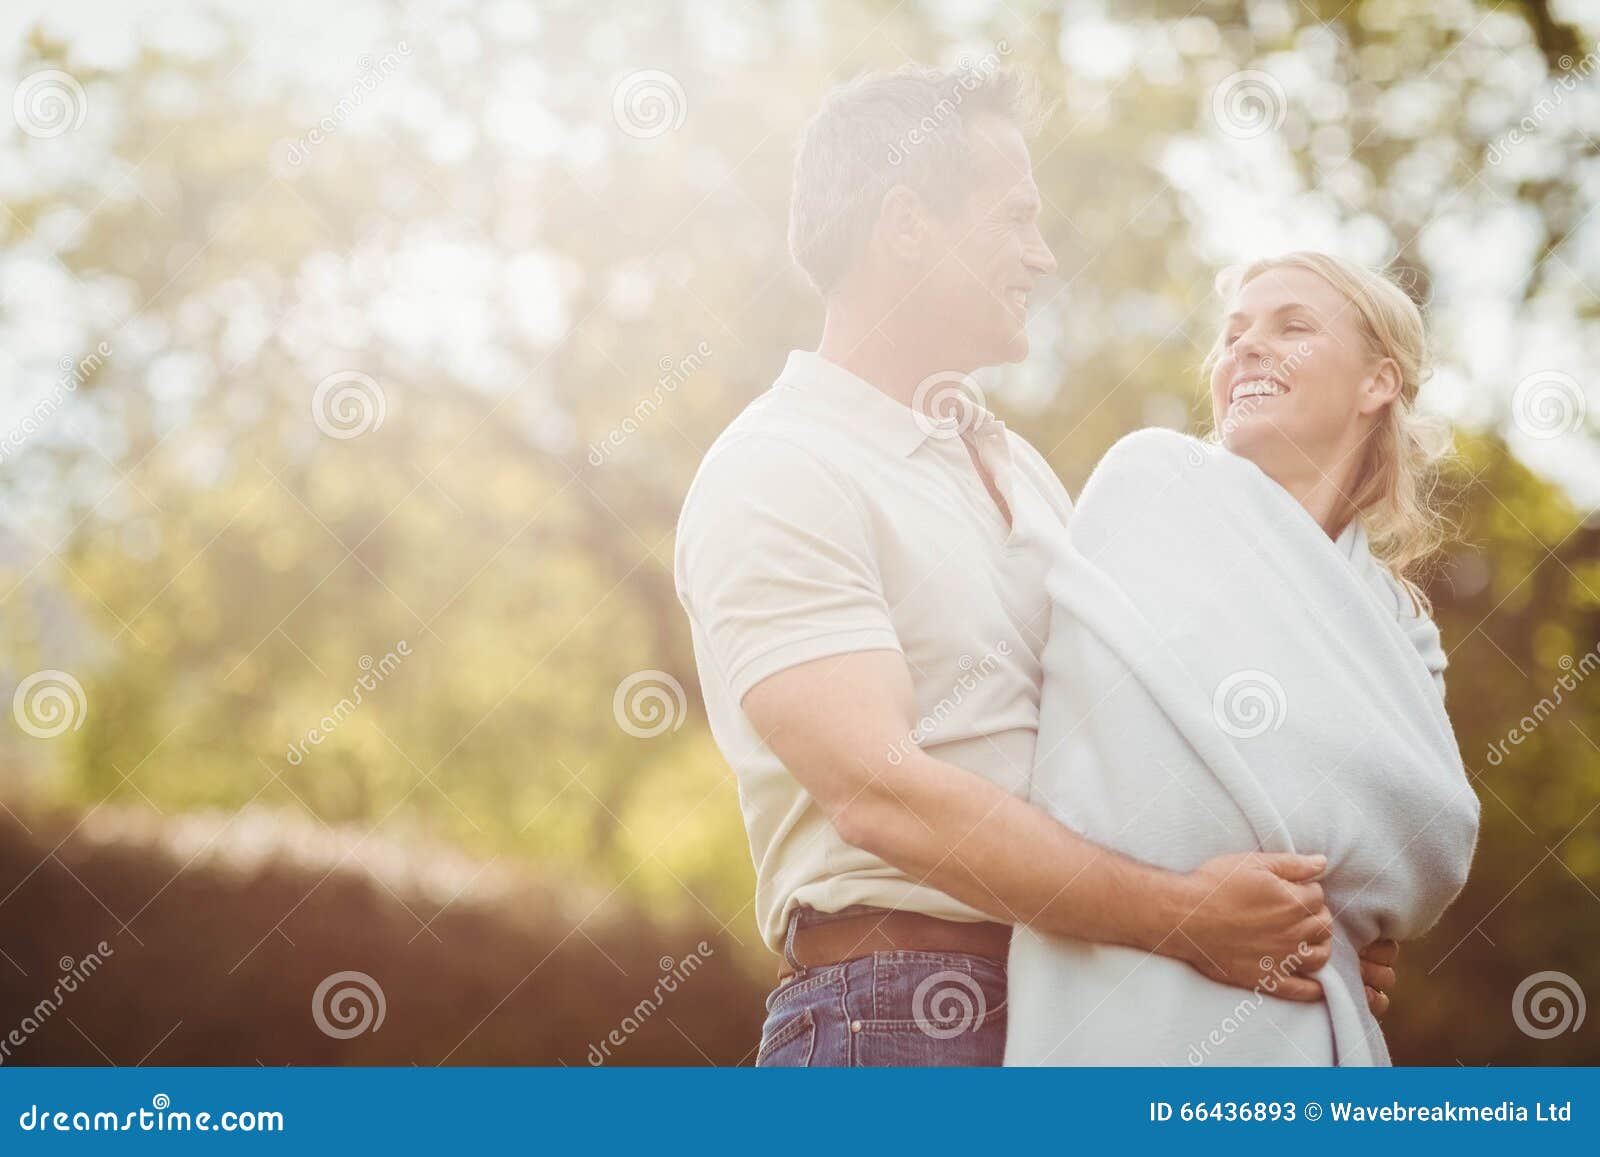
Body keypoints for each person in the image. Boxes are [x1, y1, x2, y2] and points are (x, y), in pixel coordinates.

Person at [673, 68, 1395, 1067]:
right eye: (1016, 219)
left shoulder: (1021, 473)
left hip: (1082, 1008)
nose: (1042, 256)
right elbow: (880, 794)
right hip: (897, 1020)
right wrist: (1183, 915)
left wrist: (1300, 926)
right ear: (907, 223)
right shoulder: (780, 466)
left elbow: (1134, 748)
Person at [1003, 253, 1481, 1066]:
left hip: (1309, 1039)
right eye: (1233, 335)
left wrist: (1342, 908)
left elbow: (1431, 848)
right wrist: (1333, 903)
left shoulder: (1401, 626)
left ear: (1377, 384)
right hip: (1115, 1017)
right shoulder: (1149, 487)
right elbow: (1120, 789)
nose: (1247, 348)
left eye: (1292, 326)